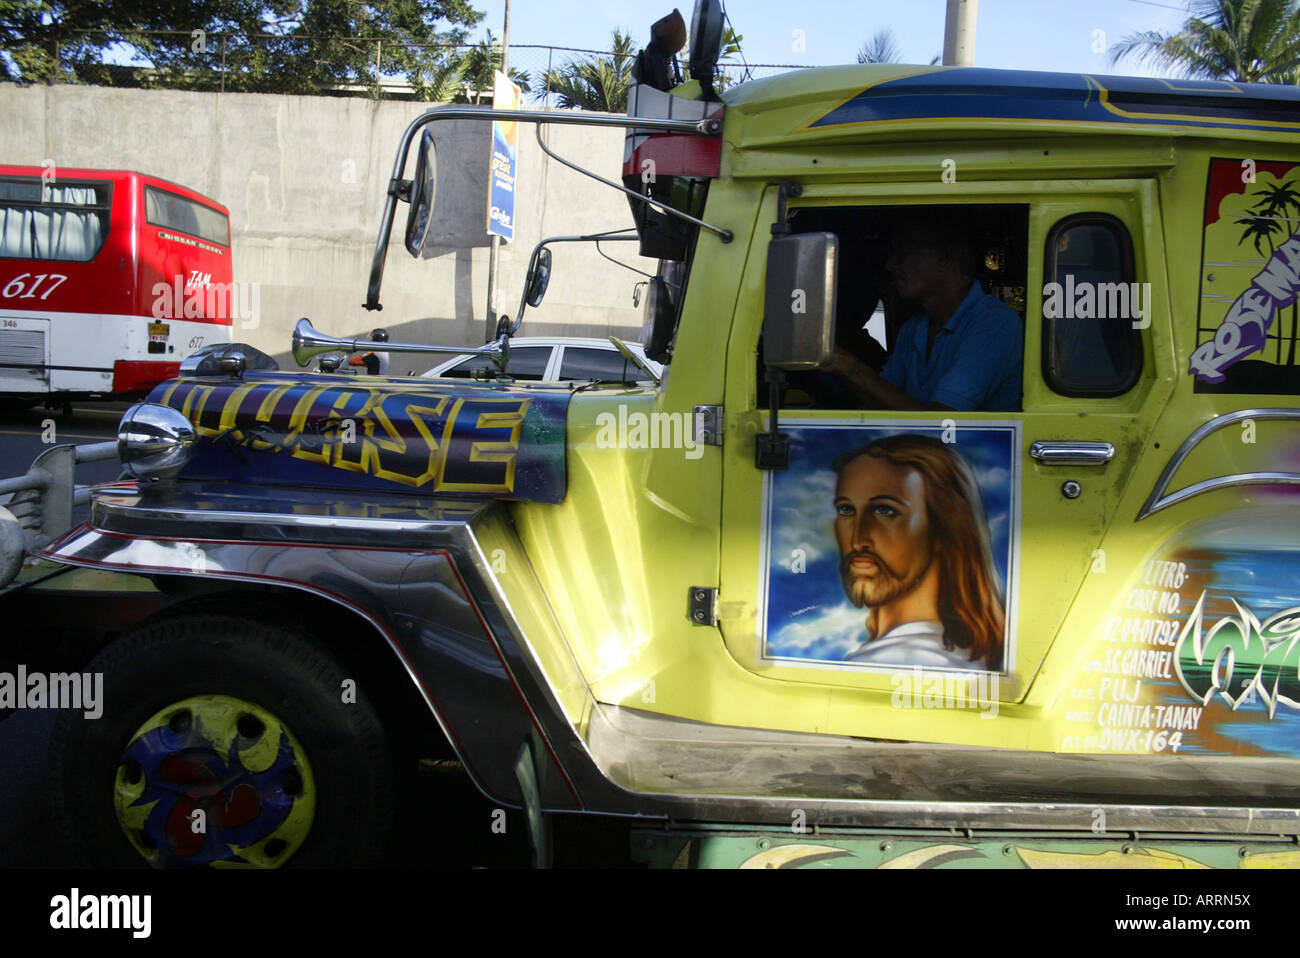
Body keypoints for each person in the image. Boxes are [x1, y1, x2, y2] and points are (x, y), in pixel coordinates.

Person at [831, 434, 1005, 671]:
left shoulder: (890, 661)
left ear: (943, 528)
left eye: (885, 511)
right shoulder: (963, 655)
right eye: (846, 510)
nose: (857, 540)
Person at [826, 218, 1022, 412]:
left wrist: (847, 366)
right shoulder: (915, 327)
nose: (890, 265)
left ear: (943, 258)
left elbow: (942, 423)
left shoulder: (995, 324)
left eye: (902, 252)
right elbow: (880, 403)